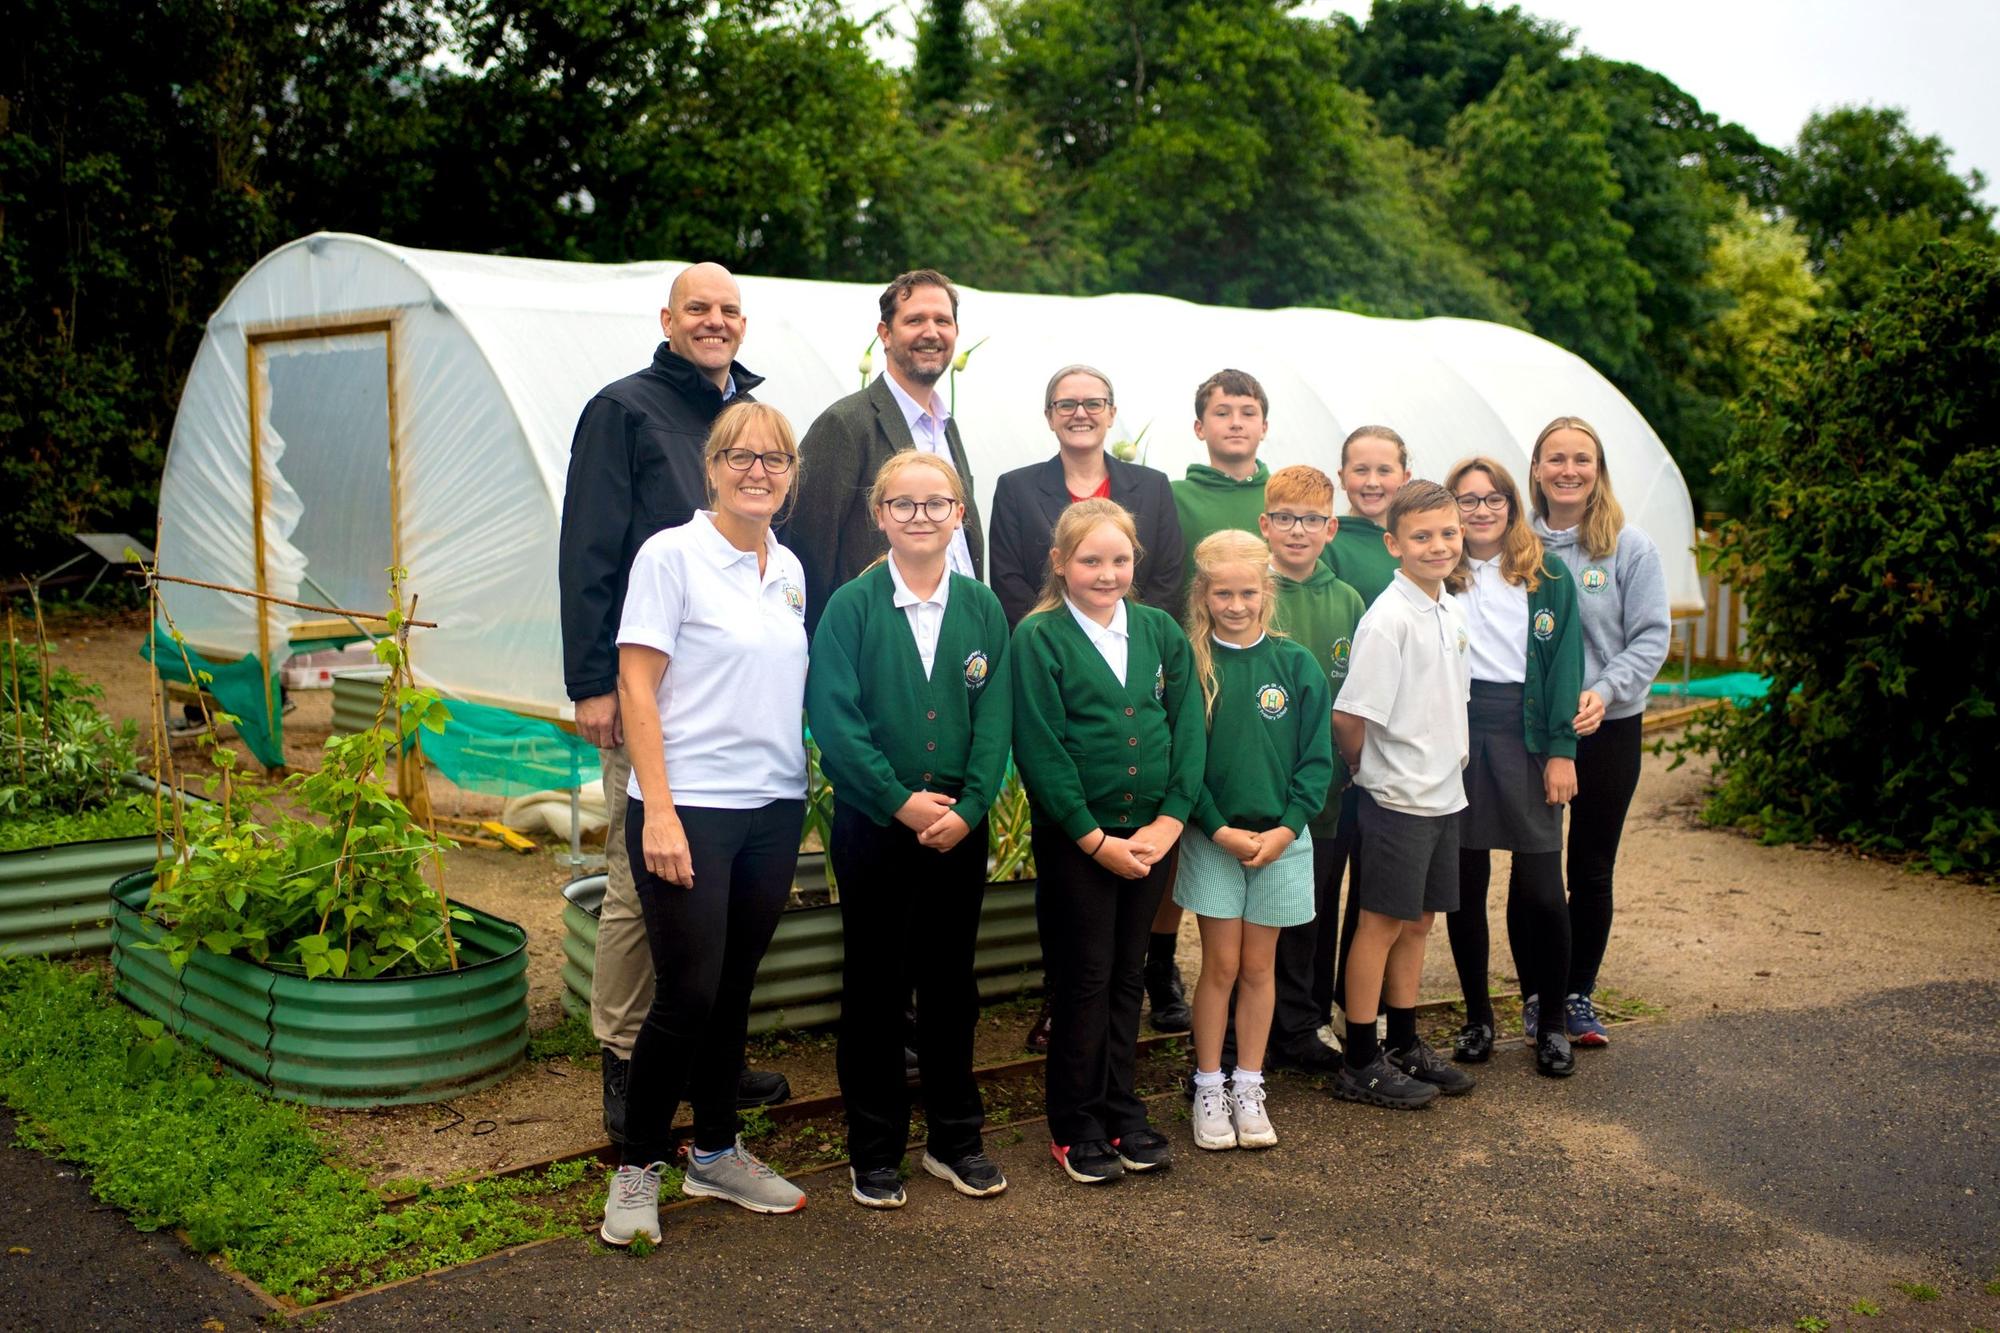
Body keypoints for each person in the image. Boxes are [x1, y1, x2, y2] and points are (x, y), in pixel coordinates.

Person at [558, 262, 787, 1147]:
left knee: (718, 889)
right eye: (699, 307)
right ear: (668, 317)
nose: (715, 321)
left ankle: (710, 1063)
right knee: (636, 877)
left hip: (731, 707)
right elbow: (589, 546)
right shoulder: (625, 408)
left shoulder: (742, 417)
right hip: (650, 692)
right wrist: (592, 681)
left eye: (730, 309)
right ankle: (623, 1059)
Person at [600, 402, 812, 1246]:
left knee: (731, 988)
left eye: (776, 459)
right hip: (687, 804)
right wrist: (657, 810)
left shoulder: (788, 566)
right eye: (741, 456)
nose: (758, 470)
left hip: (773, 802)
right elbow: (637, 687)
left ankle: (717, 1151)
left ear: (791, 475)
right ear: (712, 466)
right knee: (685, 991)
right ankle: (637, 1164)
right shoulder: (671, 555)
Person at [804, 451, 1014, 1209]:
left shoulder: (981, 607)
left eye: (937, 504)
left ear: (959, 514)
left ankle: (956, 1139)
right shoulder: (852, 607)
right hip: (876, 823)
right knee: (875, 984)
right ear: (879, 513)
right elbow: (835, 717)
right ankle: (875, 1147)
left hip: (959, 826)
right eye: (904, 504)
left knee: (952, 982)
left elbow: (995, 717)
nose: (921, 516)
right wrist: (898, 800)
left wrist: (969, 806)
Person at [988, 365, 1190, 1046]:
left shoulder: (1151, 489)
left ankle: (1134, 994)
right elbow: (1010, 578)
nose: (1080, 412)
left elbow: (1165, 580)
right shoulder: (1018, 489)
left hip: (1130, 677)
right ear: (1050, 415)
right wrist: (1066, 650)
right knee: (1065, 871)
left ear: (1111, 412)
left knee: (1133, 884)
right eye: (1066, 403)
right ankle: (1062, 996)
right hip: (1058, 684)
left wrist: (1122, 652)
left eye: (1093, 402)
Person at [1010, 499, 1204, 1183]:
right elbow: (1041, 746)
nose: (1106, 572)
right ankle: (1075, 1119)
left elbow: (1187, 726)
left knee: (1128, 975)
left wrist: (1169, 820)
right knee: (1084, 978)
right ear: (1061, 563)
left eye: (1119, 559)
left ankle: (1122, 1104)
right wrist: (1094, 839)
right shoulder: (1039, 638)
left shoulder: (1157, 630)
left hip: (1150, 837)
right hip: (1079, 840)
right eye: (1090, 559)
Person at [1177, 530, 1333, 1151]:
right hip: (1213, 837)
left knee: (1260, 967)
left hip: (1279, 841)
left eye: (1247, 593)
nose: (1235, 605)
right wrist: (1216, 828)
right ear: (1203, 595)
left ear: (1266, 593)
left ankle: (1248, 1081)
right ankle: (1208, 1082)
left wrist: (1286, 829)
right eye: (1223, 593)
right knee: (1220, 965)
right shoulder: (1192, 664)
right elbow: (1184, 760)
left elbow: (1316, 760)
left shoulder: (1295, 665)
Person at [1329, 479, 1475, 1109]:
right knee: (1380, 922)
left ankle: (1404, 1042)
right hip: (1397, 798)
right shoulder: (1387, 620)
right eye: (1421, 536)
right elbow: (1350, 716)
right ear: (1394, 544)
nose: (1438, 545)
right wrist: (1370, 774)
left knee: (1419, 920)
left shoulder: (1449, 607)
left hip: (1445, 793)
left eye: (1447, 533)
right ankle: (1360, 1057)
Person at [1440, 457, 1585, 1078]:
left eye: (1492, 498)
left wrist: (1561, 751)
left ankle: (1551, 1022)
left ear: (1512, 503)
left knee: (1543, 892)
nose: (1480, 511)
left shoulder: (1545, 576)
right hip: (1457, 735)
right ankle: (1478, 1018)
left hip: (1524, 734)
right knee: (1464, 887)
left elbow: (1564, 669)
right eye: (1466, 500)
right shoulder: (1438, 574)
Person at [1529, 416, 1671, 1047]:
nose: (1568, 470)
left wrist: (1604, 688)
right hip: (1534, 732)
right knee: (1535, 868)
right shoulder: (1516, 546)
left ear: (1598, 469)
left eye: (1581, 459)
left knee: (1589, 869)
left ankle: (1578, 995)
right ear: (1536, 469)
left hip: (1609, 728)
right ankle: (1538, 996)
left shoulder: (1629, 547)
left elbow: (1651, 637)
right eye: (1555, 458)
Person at [785, 269, 986, 634]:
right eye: (915, 320)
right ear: (885, 334)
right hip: (877, 648)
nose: (931, 332)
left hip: (956, 639)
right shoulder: (845, 424)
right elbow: (807, 555)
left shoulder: (947, 426)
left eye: (943, 320)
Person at [1260, 465, 1368, 1075]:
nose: (1296, 532)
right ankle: (1258, 1024)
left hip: (1325, 786)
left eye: (1309, 520)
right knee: (1262, 911)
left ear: (1330, 527)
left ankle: (1302, 1025)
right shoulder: (1250, 591)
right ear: (1265, 524)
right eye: (1284, 518)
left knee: (1315, 904)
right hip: (1263, 783)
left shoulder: (1346, 599)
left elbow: (1353, 692)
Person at [1171, 369, 1274, 589]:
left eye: (1248, 413)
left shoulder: (1283, 495)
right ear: (1200, 428)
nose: (1236, 423)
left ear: (1264, 428)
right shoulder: (1173, 497)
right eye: (1222, 413)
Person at [1323, 425, 1412, 605]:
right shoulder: (1326, 544)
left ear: (1405, 478)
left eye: (1384, 471)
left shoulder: (1420, 542)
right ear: (1342, 478)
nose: (1372, 482)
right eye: (1361, 470)